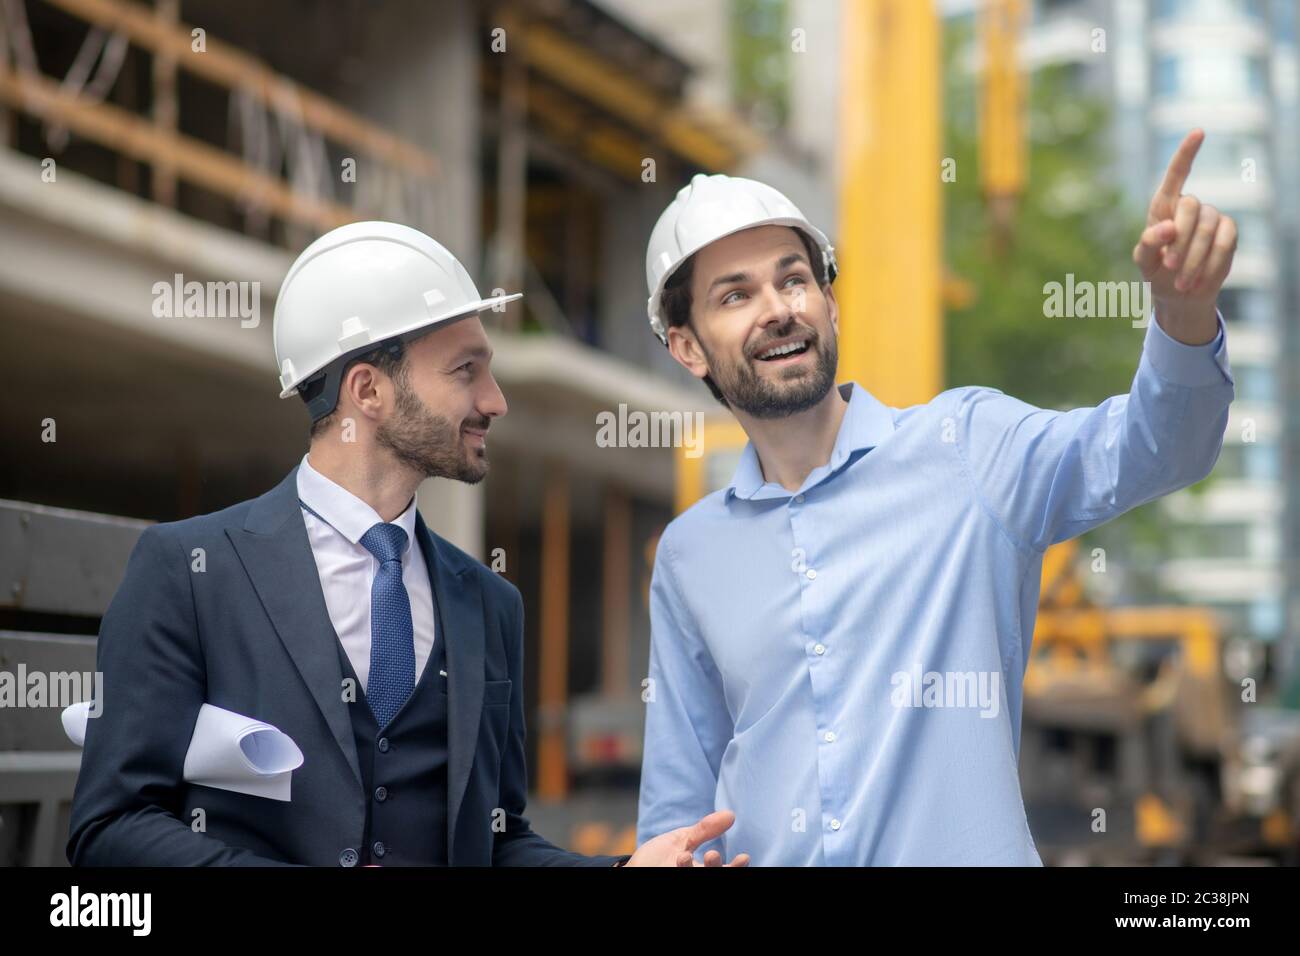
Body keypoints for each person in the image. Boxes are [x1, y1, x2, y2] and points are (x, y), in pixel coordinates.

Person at [635, 130, 1236, 865]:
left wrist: (1183, 314)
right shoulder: (691, 555)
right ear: (687, 347)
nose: (778, 309)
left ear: (828, 301)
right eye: (736, 296)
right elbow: (676, 803)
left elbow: (1156, 448)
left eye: (793, 280)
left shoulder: (969, 449)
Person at [68, 221, 747, 867]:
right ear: (368, 390)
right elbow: (114, 827)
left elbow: (498, 843)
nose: (495, 399)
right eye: (465, 371)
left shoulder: (489, 604)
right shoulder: (190, 572)